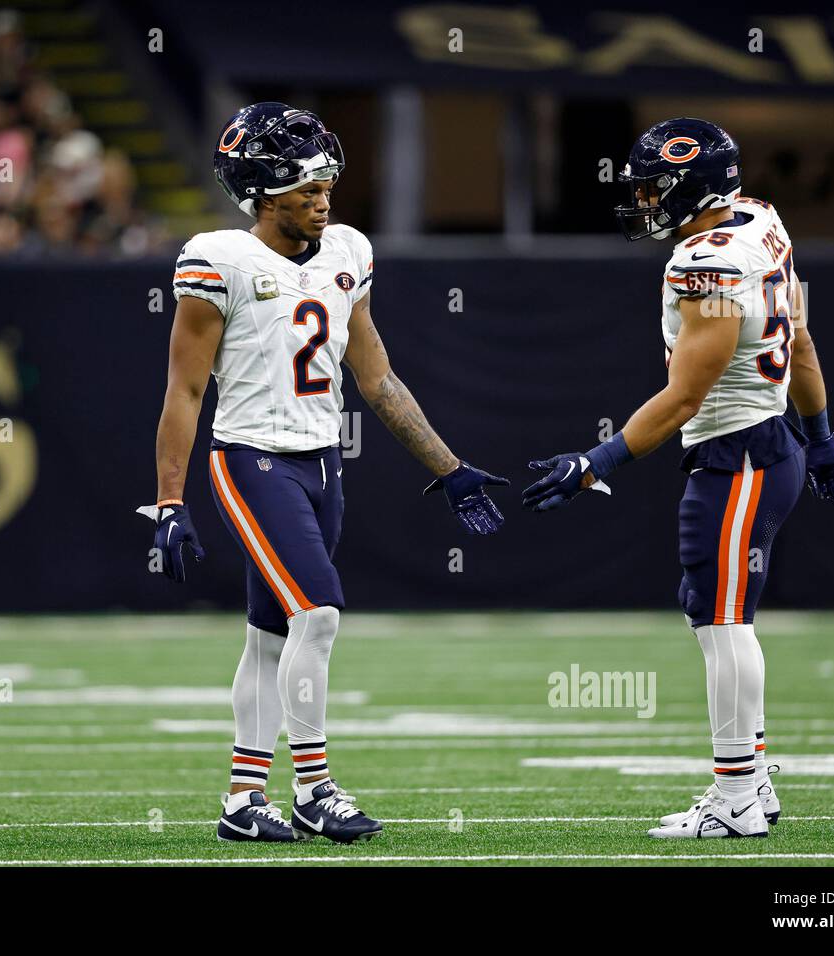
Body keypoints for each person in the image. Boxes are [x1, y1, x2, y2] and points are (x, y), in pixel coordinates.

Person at [142, 103, 509, 845]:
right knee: (321, 611)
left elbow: (377, 379)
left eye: (326, 187)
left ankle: (244, 801)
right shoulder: (221, 259)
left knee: (271, 636)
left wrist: (450, 466)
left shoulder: (346, 251)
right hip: (251, 457)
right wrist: (170, 501)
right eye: (307, 189)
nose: (324, 200)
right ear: (262, 192)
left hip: (322, 463)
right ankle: (314, 787)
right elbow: (184, 390)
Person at [522, 118, 834, 839]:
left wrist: (592, 464)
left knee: (720, 619)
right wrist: (821, 436)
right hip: (777, 445)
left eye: (654, 189)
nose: (644, 201)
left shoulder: (705, 263)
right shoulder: (762, 220)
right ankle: (753, 783)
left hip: (737, 456)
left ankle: (734, 797)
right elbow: (799, 336)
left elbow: (683, 397)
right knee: (723, 612)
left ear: (694, 187)